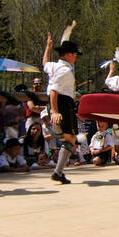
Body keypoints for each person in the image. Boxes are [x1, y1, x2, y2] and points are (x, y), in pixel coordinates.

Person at [42, 28, 79, 185]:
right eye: (75, 54)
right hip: (63, 103)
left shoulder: (55, 66)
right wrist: (55, 111)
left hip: (61, 102)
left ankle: (59, 171)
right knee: (70, 140)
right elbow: (53, 90)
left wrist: (48, 48)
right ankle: (58, 172)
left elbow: (44, 64)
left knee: (70, 139)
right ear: (69, 54)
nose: (76, 57)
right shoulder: (64, 71)